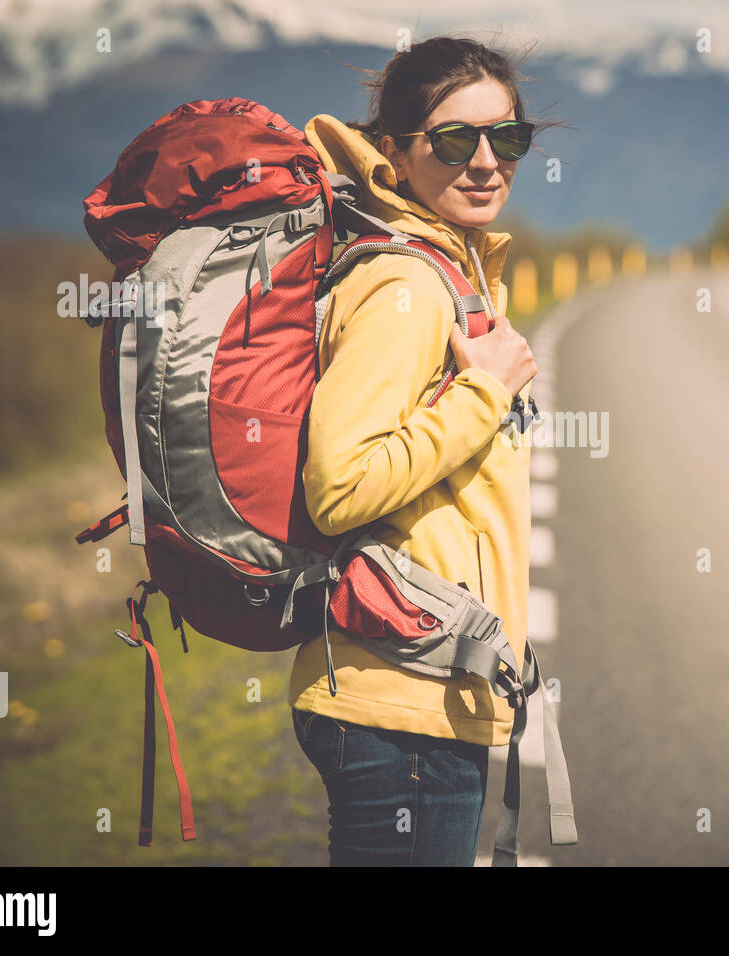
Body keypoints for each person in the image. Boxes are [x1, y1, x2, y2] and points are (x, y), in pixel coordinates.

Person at [289, 34, 556, 866]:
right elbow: (339, 484)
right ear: (396, 151)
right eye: (453, 139)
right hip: (399, 705)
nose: (485, 162)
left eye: (506, 138)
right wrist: (483, 394)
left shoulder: (445, 269)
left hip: (423, 687)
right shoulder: (407, 288)